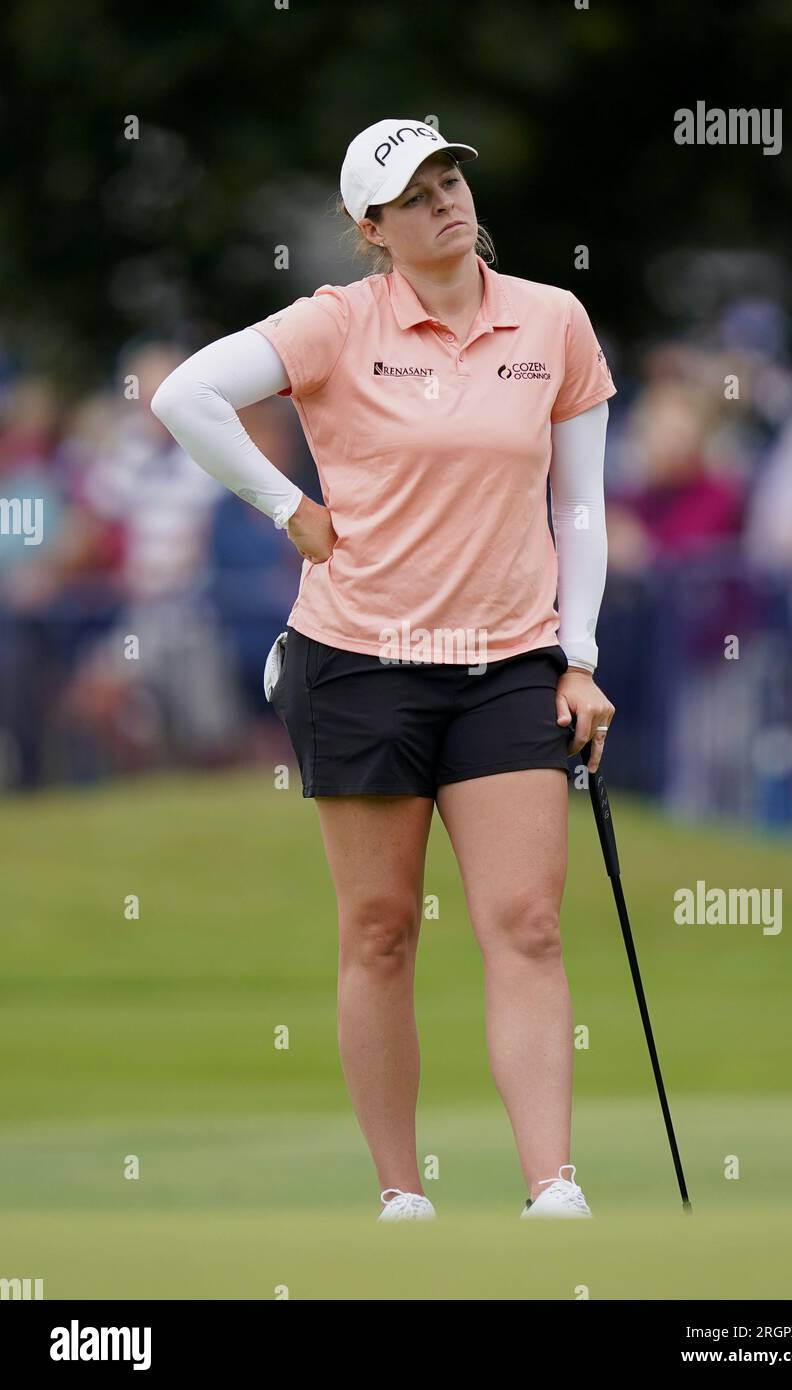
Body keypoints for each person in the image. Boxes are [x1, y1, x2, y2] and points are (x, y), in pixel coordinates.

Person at [151, 117, 617, 1222]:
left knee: (528, 922)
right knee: (378, 927)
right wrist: (288, 509)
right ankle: (400, 1193)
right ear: (372, 229)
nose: (444, 201)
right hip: (359, 660)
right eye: (413, 196)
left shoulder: (551, 319)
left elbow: (581, 506)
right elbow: (184, 395)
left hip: (510, 661)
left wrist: (580, 655)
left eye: (449, 179)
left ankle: (551, 1184)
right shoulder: (333, 322)